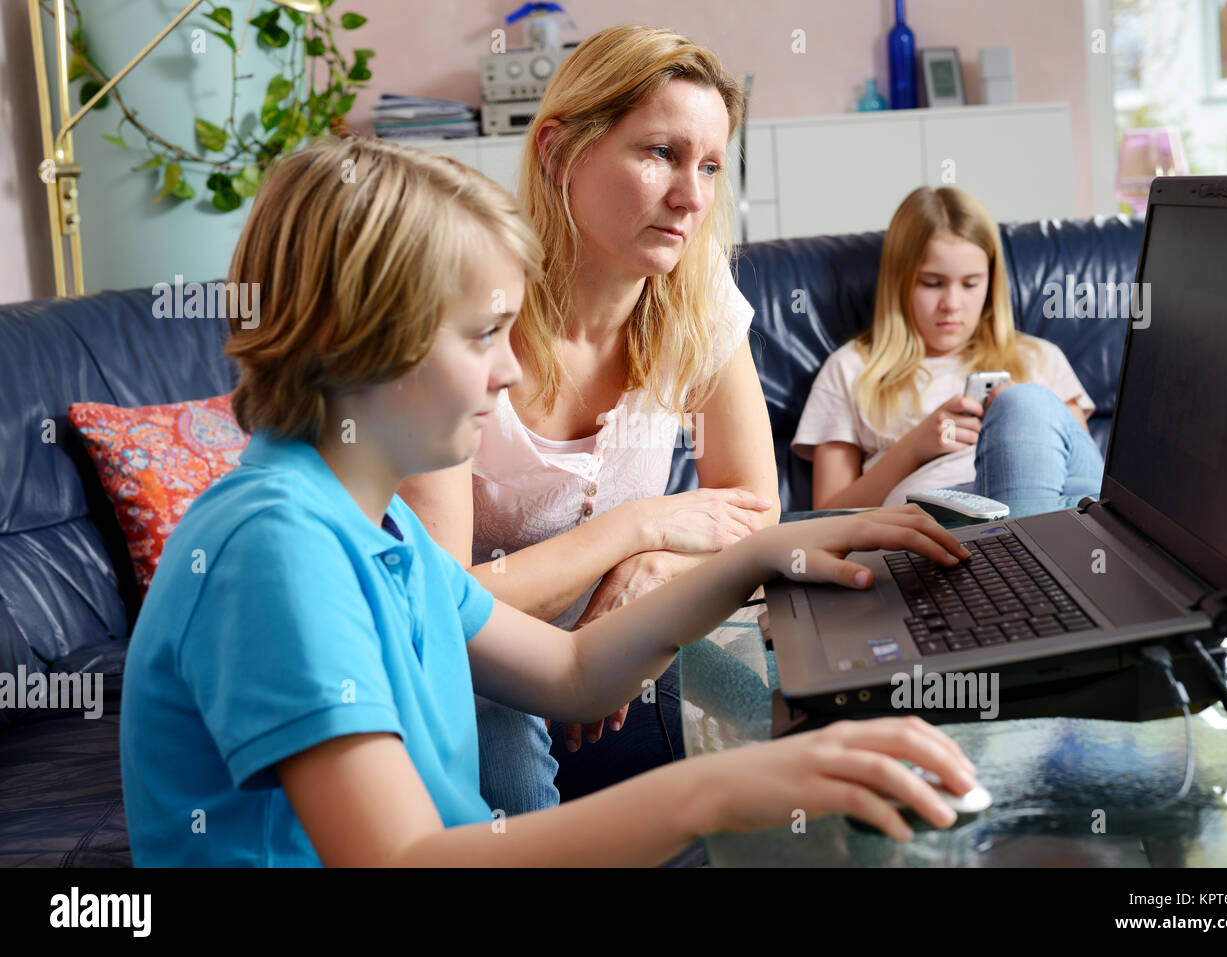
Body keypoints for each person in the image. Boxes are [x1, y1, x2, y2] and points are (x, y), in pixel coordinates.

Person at [118, 137, 978, 867]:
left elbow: (573, 673)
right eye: (484, 334)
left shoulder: (382, 530)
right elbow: (403, 860)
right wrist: (710, 791)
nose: (511, 370)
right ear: (355, 342)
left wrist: (768, 550)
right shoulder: (276, 546)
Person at [398, 25, 779, 816]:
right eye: (660, 154)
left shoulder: (698, 303)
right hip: (477, 665)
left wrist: (650, 578)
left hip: (623, 649)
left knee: (801, 682)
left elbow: (756, 509)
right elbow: (447, 606)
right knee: (492, 694)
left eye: (710, 165)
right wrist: (635, 529)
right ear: (558, 151)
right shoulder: (467, 317)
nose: (693, 196)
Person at [792, 186, 1104, 514]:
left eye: (971, 284)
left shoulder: (1040, 357)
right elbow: (826, 516)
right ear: (899, 281)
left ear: (991, 282)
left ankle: (1035, 551)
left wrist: (1017, 424)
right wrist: (914, 447)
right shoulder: (851, 369)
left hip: (1053, 506)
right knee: (1023, 405)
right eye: (932, 283)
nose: (952, 305)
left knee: (1022, 403)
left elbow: (1084, 480)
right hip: (946, 518)